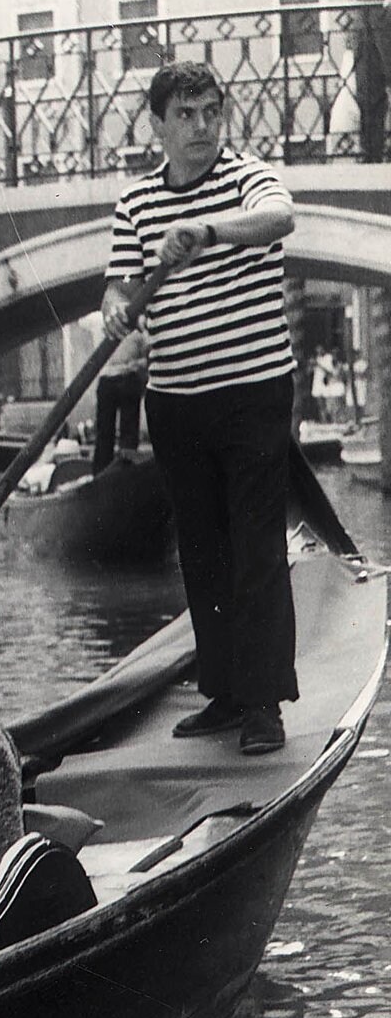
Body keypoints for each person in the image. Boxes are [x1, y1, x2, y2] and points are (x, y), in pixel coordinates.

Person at [101, 60, 297, 757]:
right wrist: (119, 313)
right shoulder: (135, 203)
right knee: (203, 553)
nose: (202, 127)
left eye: (211, 112)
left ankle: (266, 701)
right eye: (185, 115)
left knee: (255, 549)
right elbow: (120, 287)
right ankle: (223, 693)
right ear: (157, 124)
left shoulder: (247, 177)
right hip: (177, 402)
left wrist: (209, 230)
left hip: (254, 394)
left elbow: (281, 217)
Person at [92, 324, 148, 473]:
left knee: (107, 432)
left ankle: (104, 473)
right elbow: (146, 355)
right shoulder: (138, 330)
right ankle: (123, 473)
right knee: (122, 433)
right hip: (122, 377)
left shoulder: (99, 322)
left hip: (119, 378)